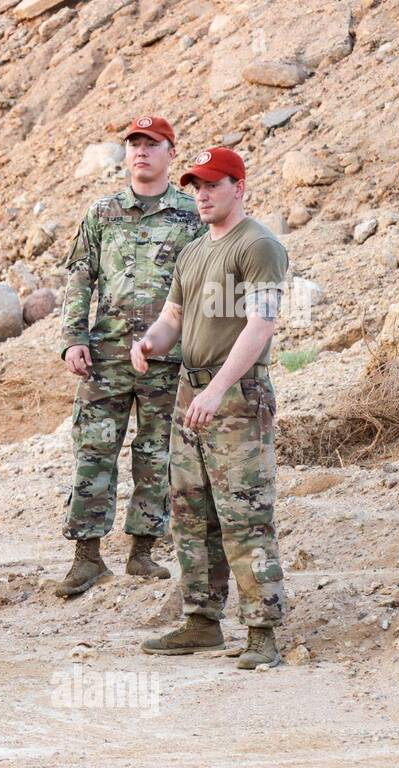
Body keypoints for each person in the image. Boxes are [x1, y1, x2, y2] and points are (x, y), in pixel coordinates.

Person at [131, 147, 287, 669]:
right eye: (196, 185)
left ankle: (263, 630)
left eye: (214, 184)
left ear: (238, 188)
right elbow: (172, 317)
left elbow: (260, 325)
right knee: (190, 512)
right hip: (190, 391)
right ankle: (202, 620)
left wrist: (218, 388)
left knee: (245, 514)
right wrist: (150, 343)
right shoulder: (194, 252)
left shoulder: (259, 245)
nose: (202, 194)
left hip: (236, 395)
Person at [56, 115, 205, 598]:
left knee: (156, 453)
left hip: (170, 358)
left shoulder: (190, 214)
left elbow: (205, 286)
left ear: (170, 153)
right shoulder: (103, 213)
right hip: (107, 354)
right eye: (134, 144)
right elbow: (81, 277)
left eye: (152, 144)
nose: (141, 151)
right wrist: (73, 337)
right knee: (95, 451)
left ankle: (143, 550)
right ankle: (87, 557)